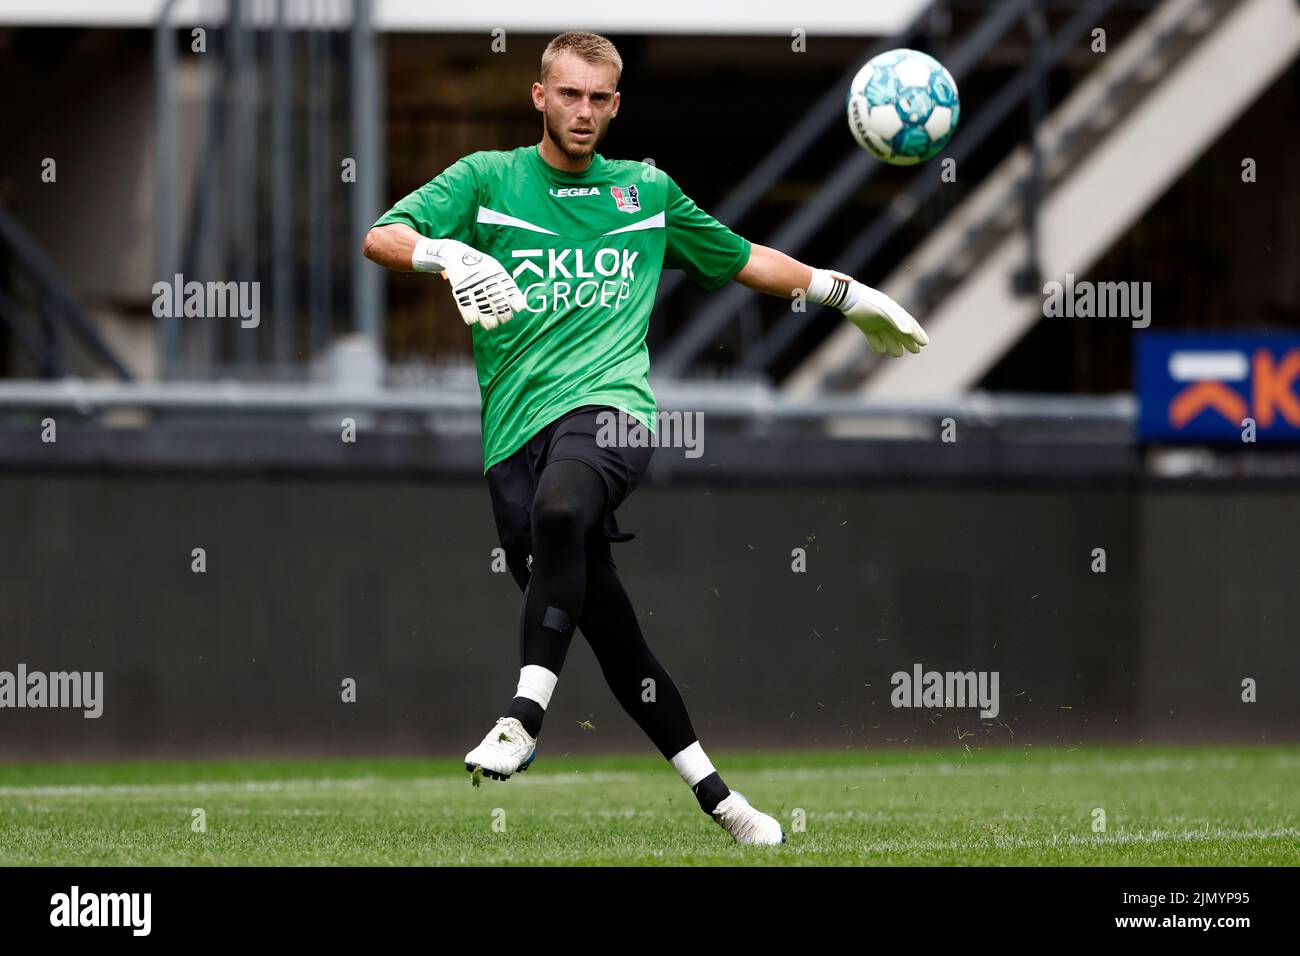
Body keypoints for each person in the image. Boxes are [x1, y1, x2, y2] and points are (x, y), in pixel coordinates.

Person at [362, 31, 927, 846]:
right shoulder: (487, 180)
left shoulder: (645, 193)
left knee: (563, 511)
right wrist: (442, 253)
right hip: (512, 438)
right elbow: (382, 235)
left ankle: (523, 717)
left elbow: (740, 258)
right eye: (569, 94)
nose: (583, 111)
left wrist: (847, 293)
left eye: (599, 98)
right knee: (613, 634)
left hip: (612, 411)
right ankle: (724, 802)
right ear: (539, 97)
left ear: (616, 105)